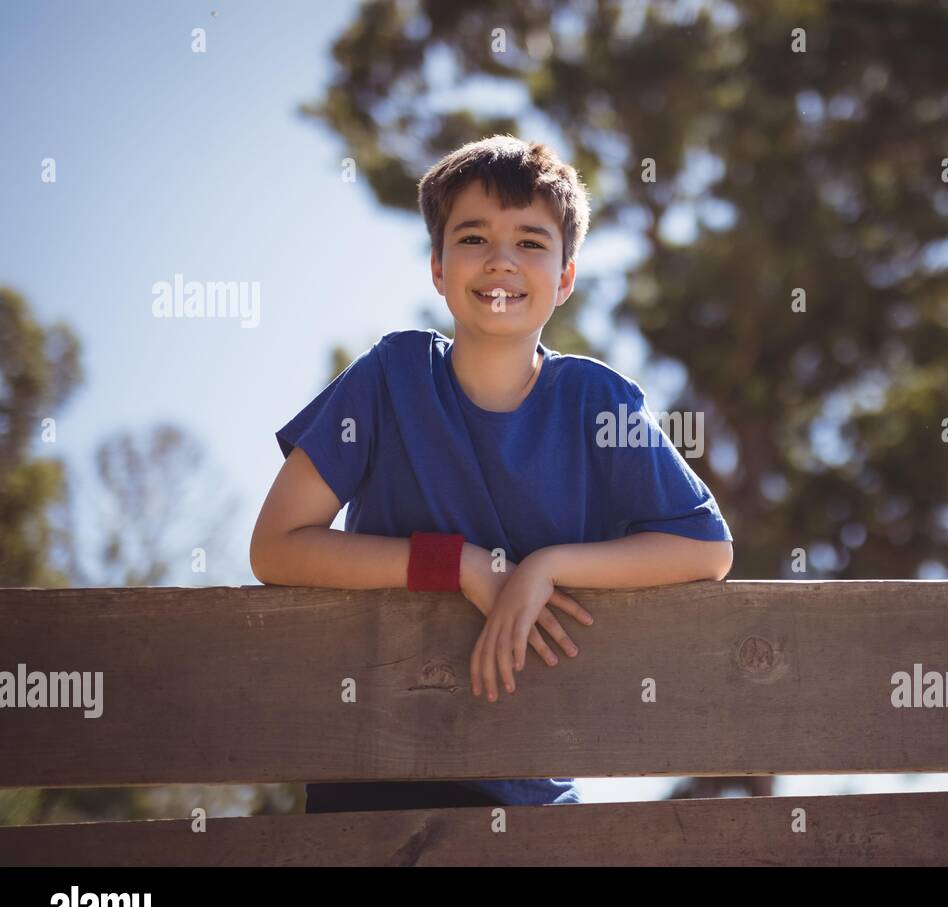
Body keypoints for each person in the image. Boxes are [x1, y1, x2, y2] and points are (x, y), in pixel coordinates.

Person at [249, 134, 734, 813]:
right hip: (374, 775)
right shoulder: (389, 379)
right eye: (473, 239)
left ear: (565, 278)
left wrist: (546, 567)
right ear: (438, 268)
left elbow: (705, 548)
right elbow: (275, 546)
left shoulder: (596, 402)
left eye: (532, 243)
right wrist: (458, 565)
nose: (501, 262)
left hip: (527, 793)